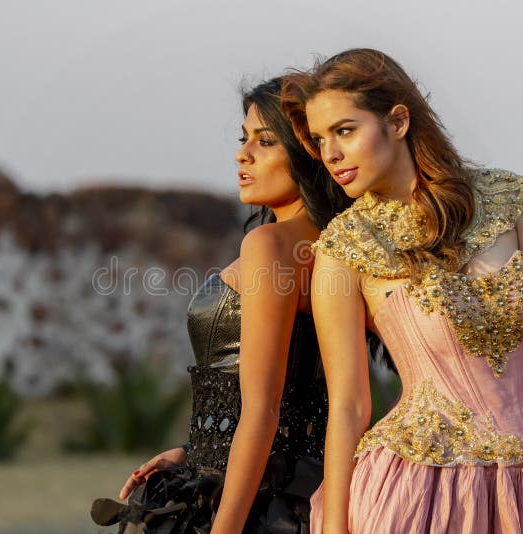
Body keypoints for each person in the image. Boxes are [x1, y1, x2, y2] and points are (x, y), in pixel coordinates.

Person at [280, 48, 523, 533]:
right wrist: (335, 528)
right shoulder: (344, 248)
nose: (330, 154)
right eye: (321, 139)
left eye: (344, 130)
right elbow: (349, 405)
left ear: (398, 121)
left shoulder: (505, 200)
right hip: (422, 493)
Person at [90, 77, 352, 533]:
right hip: (291, 487)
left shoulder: (268, 244)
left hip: (254, 502)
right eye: (244, 138)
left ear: (309, 154)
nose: (242, 155)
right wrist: (195, 452)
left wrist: (224, 527)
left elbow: (263, 411)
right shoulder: (339, 246)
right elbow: (295, 400)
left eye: (265, 141)